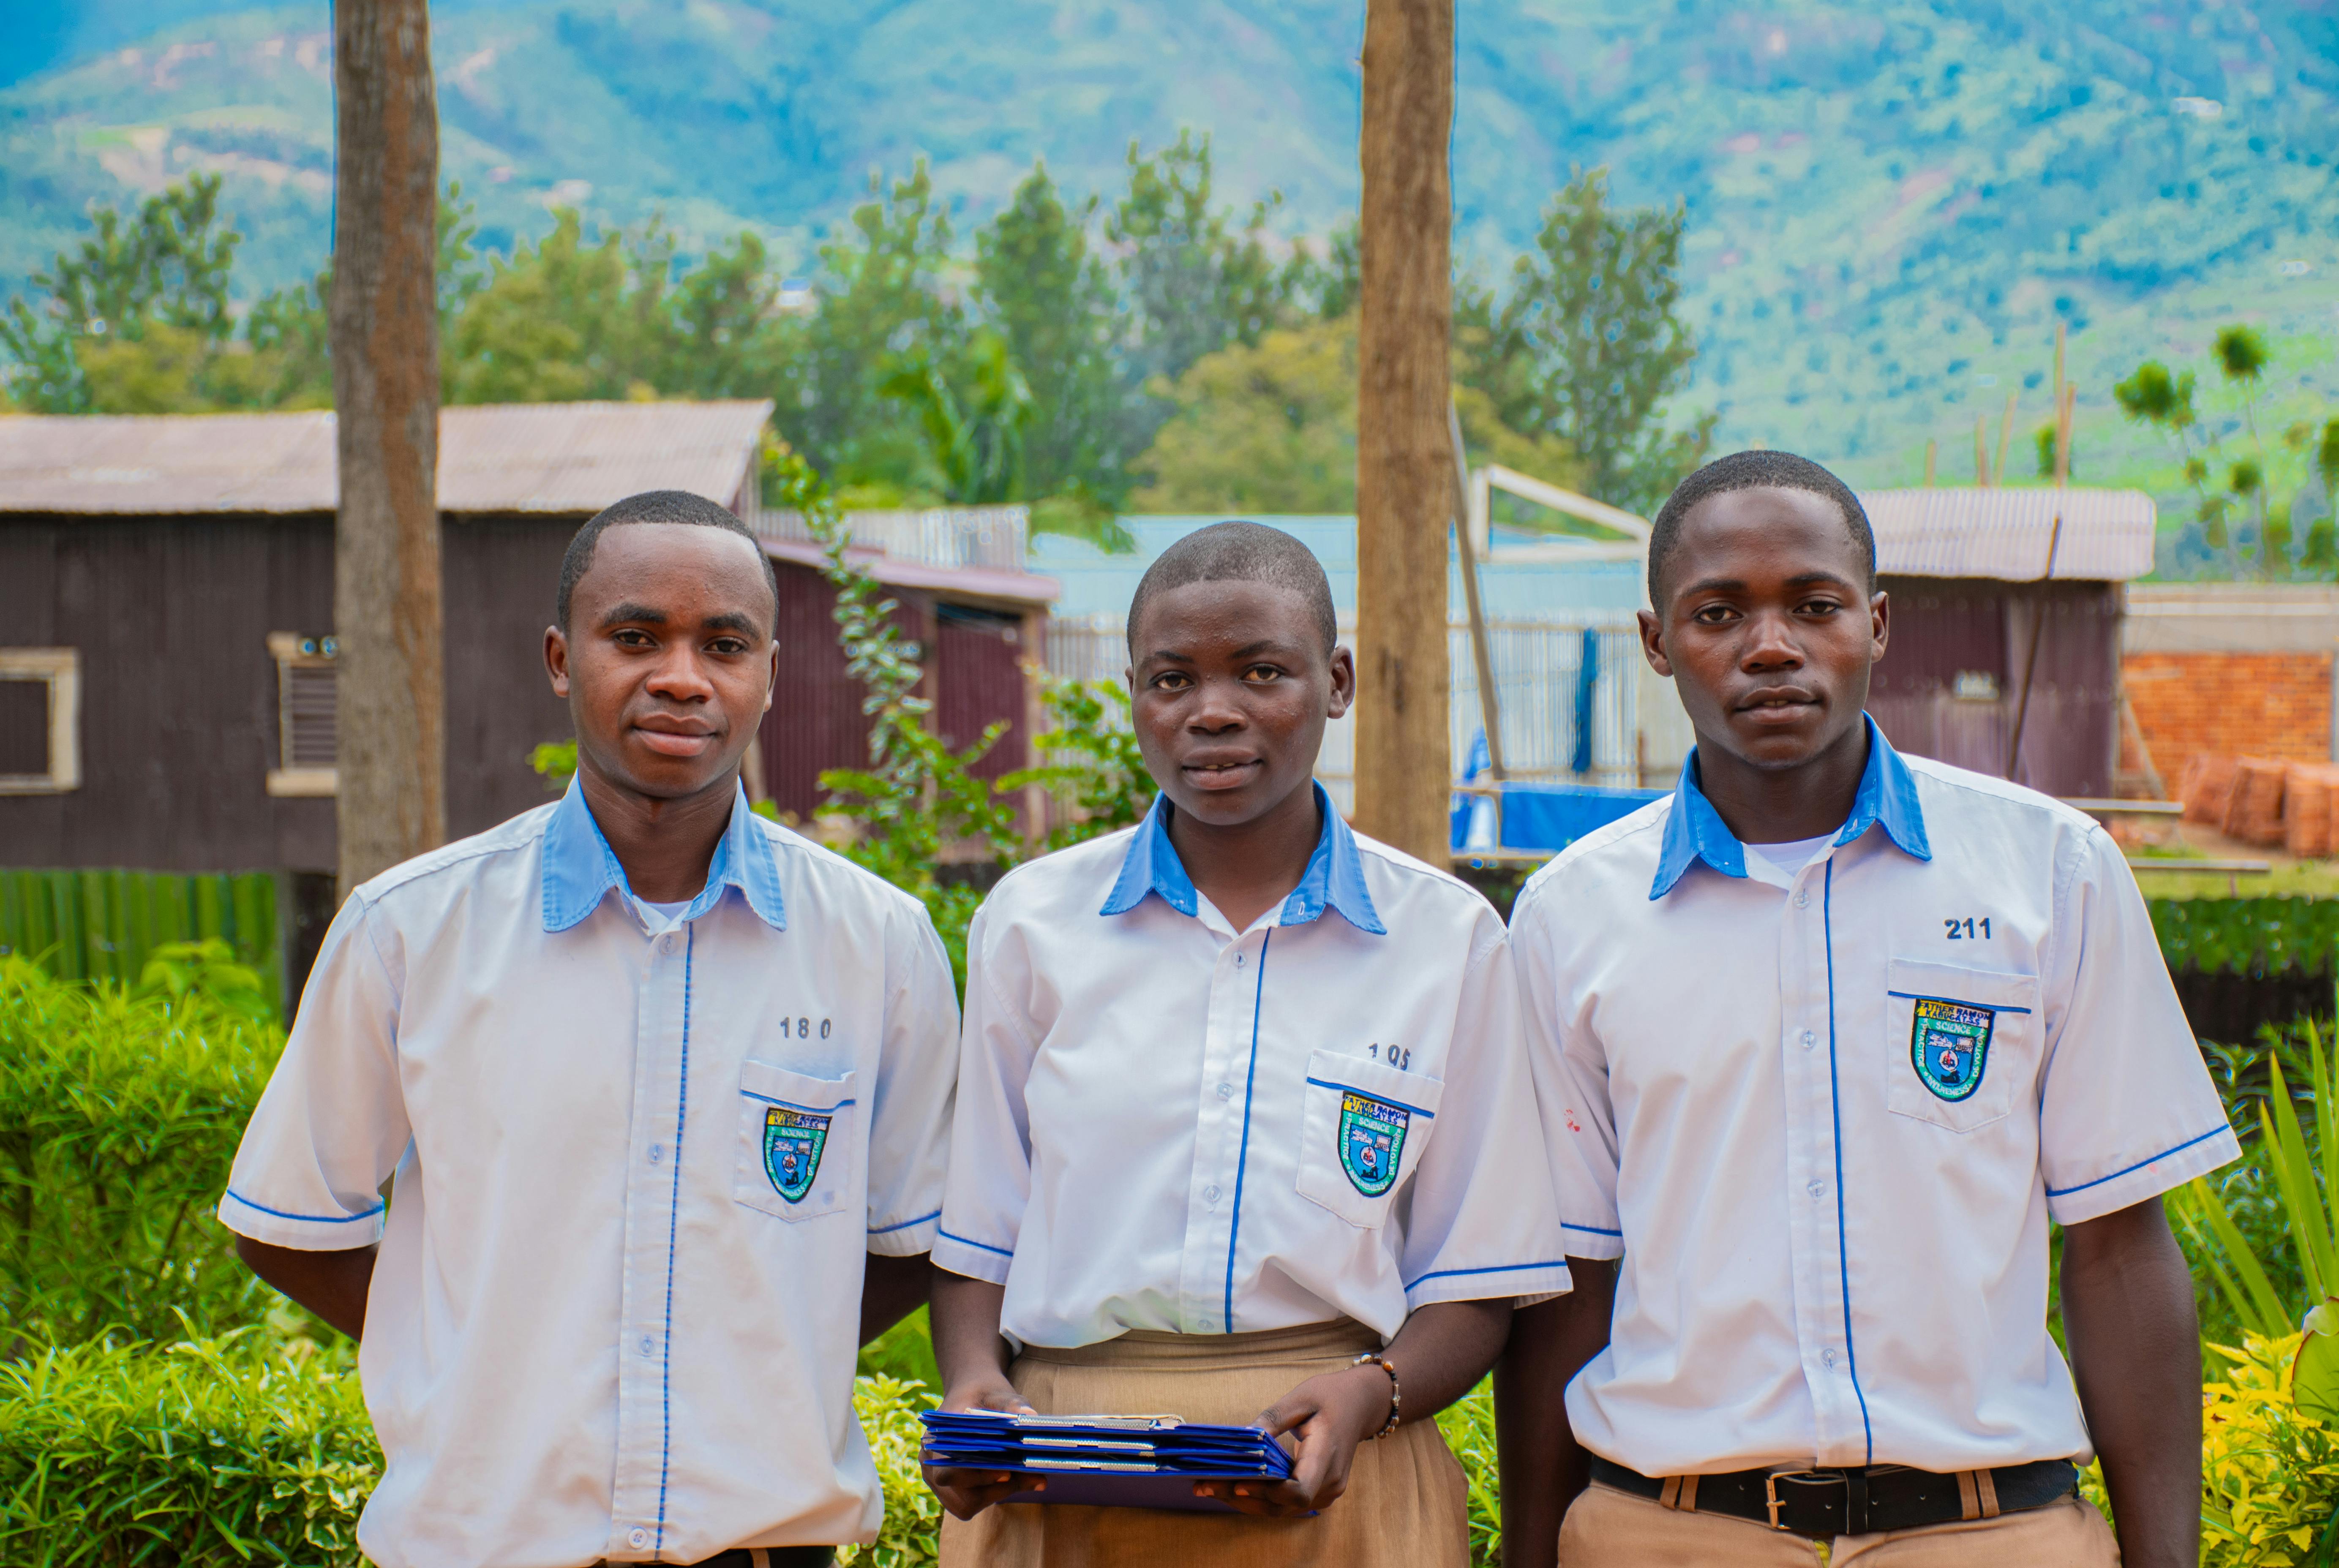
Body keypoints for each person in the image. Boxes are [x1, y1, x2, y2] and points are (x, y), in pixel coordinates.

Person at [1498, 450, 2237, 1567]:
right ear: (1657, 642)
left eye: (1814, 605)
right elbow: (1570, 1275)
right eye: (1718, 612)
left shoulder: (2051, 874)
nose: (1772, 645)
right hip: (1668, 1535)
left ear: (1878, 623)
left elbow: (2121, 1250)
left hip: (1998, 1533)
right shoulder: (1568, 919)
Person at [218, 490, 960, 1568]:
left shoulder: (878, 944)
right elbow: (285, 1217)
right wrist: (481, 1358)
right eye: (636, 636)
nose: (681, 676)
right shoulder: (412, 931)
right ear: (564, 660)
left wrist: (750, 1357)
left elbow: (915, 1236)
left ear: (768, 674)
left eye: (724, 643)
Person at [924, 521, 1570, 1567]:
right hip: (1065, 1461)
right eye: (1172, 678)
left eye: (1262, 671)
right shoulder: (1031, 922)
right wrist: (973, 1385)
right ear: (1134, 692)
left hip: (1339, 1472)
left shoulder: (1447, 941)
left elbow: (1479, 1270)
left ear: (1337, 681)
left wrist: (1375, 1389)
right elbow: (981, 1227)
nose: (1213, 711)